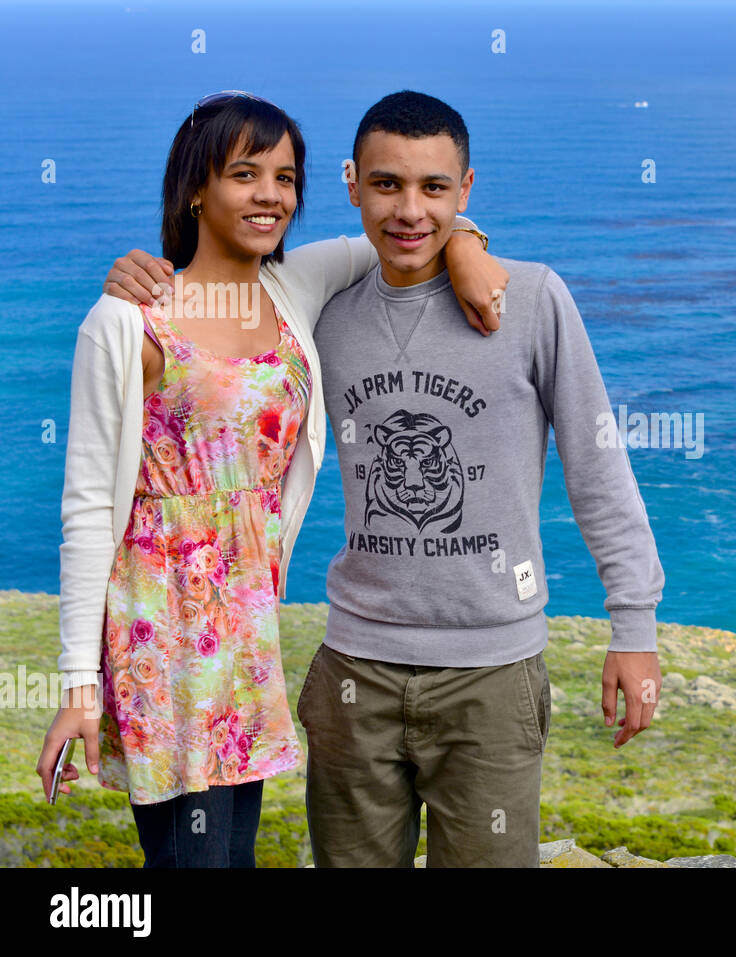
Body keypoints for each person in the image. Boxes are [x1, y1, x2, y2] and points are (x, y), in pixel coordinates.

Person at [36, 90, 506, 868]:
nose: (270, 196)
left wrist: (468, 248)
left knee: (234, 855)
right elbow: (87, 509)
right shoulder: (127, 321)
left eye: (286, 178)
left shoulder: (294, 286)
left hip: (249, 633)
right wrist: (76, 687)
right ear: (195, 187)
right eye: (244, 174)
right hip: (163, 635)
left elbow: (408, 231)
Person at [297, 90, 665, 867]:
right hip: (353, 670)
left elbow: (597, 460)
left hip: (491, 676)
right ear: (352, 184)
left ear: (466, 190)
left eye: (434, 189)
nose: (409, 210)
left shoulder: (529, 299)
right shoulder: (321, 312)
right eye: (387, 184)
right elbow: (223, 295)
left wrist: (633, 626)